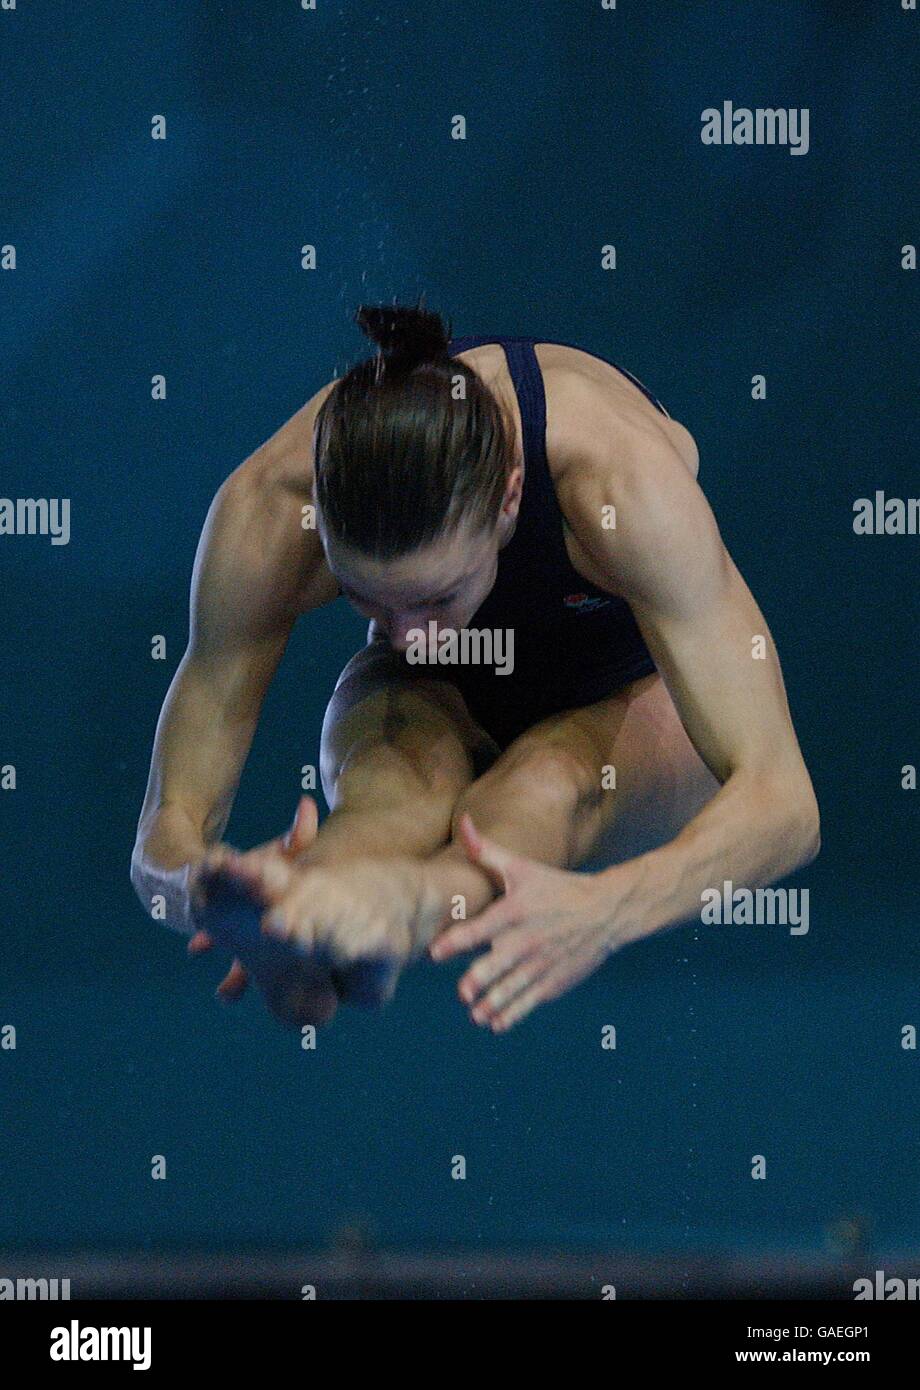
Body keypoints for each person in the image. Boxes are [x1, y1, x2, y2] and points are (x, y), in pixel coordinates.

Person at [130, 302, 819, 1033]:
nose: (414, 639)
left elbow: (784, 803)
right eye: (366, 597)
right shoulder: (267, 510)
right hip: (440, 706)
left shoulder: (621, 482)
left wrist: (609, 909)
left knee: (551, 783)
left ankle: (403, 906)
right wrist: (201, 889)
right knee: (386, 790)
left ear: (510, 498)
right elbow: (165, 830)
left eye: (435, 597)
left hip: (633, 690)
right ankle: (314, 913)